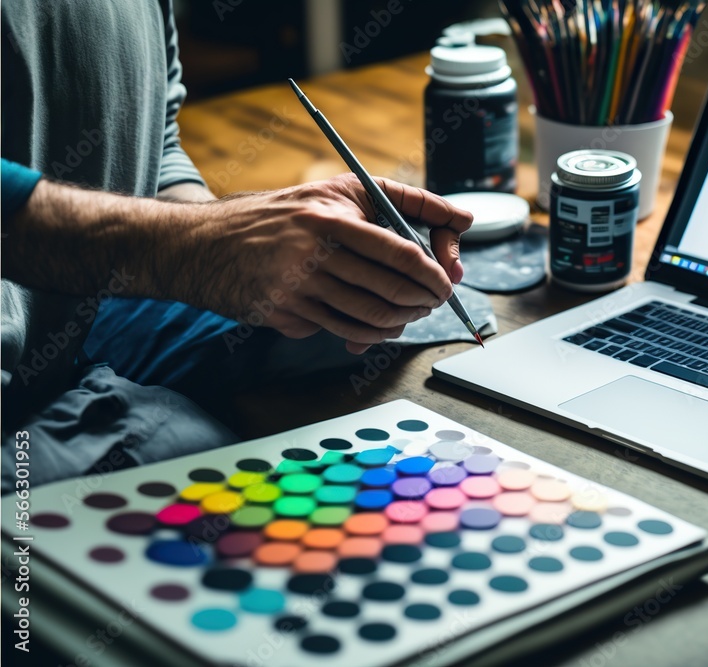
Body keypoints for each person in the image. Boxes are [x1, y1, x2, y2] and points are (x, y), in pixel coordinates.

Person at [0, 1, 472, 491]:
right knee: (216, 475)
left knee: (344, 316)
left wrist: (238, 236)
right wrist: (200, 246)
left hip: (75, 326)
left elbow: (157, 145)